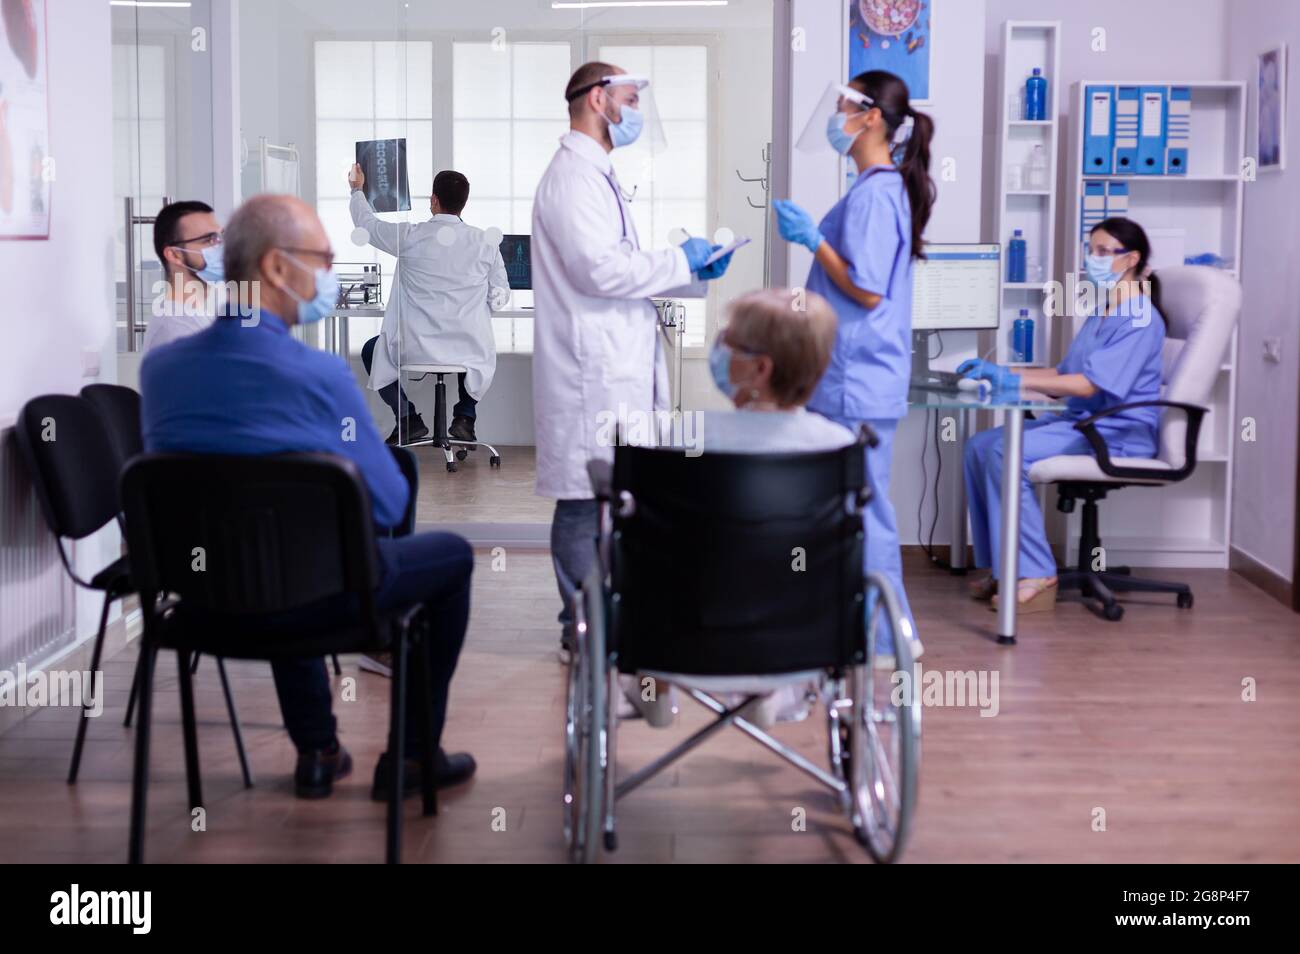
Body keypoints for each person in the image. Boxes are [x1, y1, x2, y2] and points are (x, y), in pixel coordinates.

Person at [140, 194, 477, 800]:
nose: (328, 275)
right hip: (311, 606)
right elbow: (391, 505)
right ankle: (411, 757)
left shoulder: (161, 369)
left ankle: (318, 749)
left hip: (199, 605)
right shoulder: (317, 374)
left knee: (268, 545)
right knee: (448, 556)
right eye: (321, 259)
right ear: (273, 269)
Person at [532, 60, 733, 661]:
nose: (636, 111)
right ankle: (581, 627)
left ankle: (606, 615)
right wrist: (680, 261)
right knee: (579, 501)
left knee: (606, 497)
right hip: (587, 370)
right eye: (628, 97)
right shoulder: (571, 177)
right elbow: (599, 271)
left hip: (610, 362)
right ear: (597, 100)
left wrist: (690, 273)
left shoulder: (598, 175)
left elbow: (619, 267)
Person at [772, 70, 936, 653]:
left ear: (870, 117)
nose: (834, 116)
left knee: (866, 509)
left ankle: (892, 638)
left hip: (857, 379)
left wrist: (812, 240)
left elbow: (866, 291)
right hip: (856, 376)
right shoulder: (877, 188)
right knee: (856, 505)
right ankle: (863, 627)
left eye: (842, 106)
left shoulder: (876, 193)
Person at [959, 218, 1167, 613]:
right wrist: (1006, 374)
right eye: (1092, 250)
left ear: (1132, 259)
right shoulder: (1103, 312)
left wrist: (1011, 378)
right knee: (978, 446)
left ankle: (1038, 572)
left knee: (1004, 453)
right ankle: (1005, 568)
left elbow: (1090, 385)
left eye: (1105, 252)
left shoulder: (1141, 319)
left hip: (1115, 431)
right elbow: (1060, 375)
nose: (1094, 259)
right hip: (1083, 422)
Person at [351, 167, 510, 445]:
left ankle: (408, 419)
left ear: (434, 200)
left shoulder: (410, 236)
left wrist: (356, 190)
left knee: (370, 350)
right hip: (466, 346)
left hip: (414, 346)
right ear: (464, 202)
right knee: (472, 349)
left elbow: (367, 225)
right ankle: (465, 417)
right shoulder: (485, 243)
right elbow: (500, 294)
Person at [144, 200, 222, 352]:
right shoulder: (175, 330)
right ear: (174, 254)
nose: (220, 247)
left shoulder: (196, 316)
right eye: (209, 240)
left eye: (220, 237)